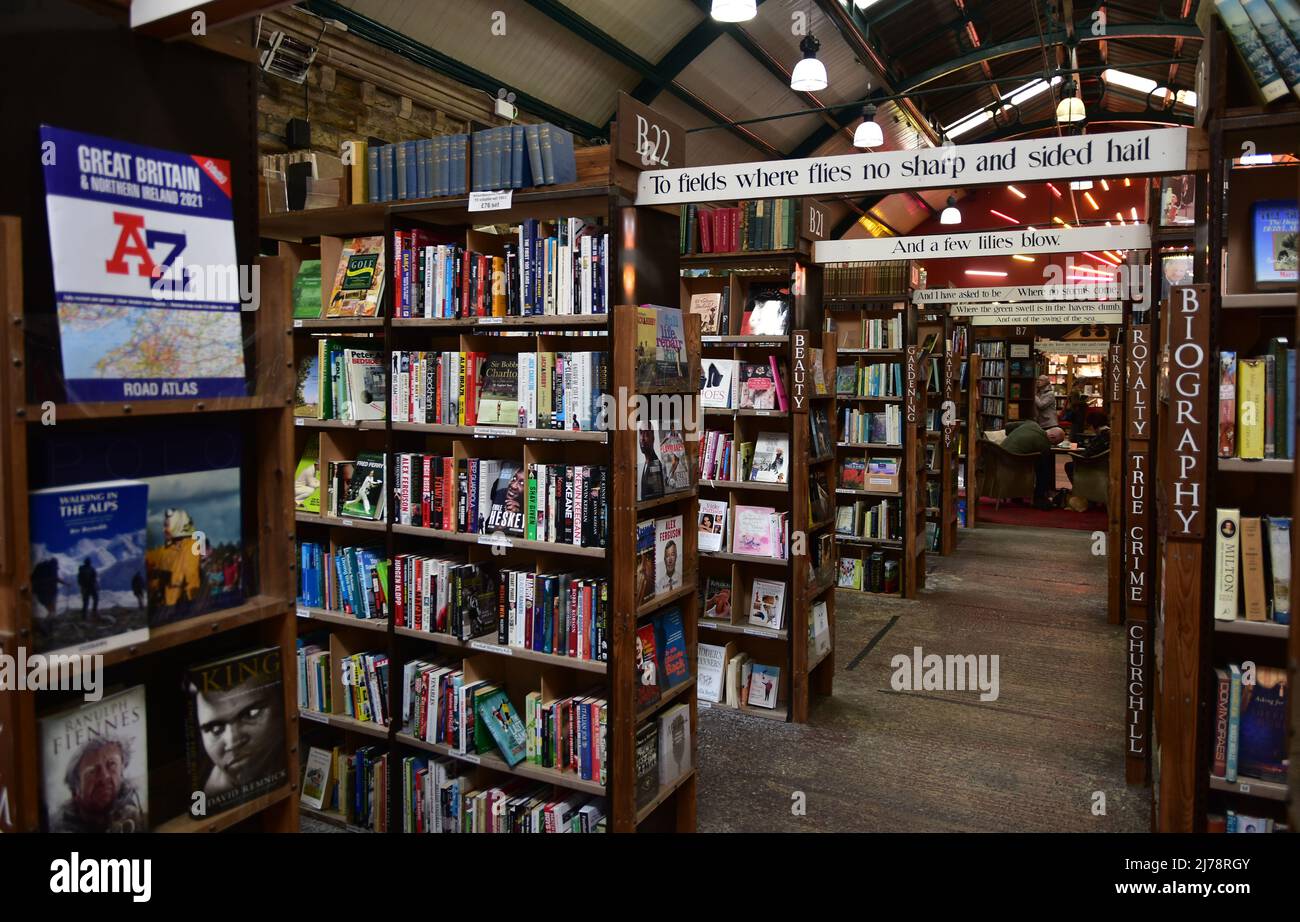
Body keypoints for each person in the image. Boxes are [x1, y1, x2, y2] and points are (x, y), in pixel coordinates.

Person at [51, 737, 146, 833]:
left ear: (121, 771)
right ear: (75, 787)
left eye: (112, 764)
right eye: (93, 771)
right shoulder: (59, 827)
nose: (105, 777)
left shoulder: (138, 804)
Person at [1001, 420, 1066, 509]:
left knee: (1040, 462)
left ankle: (1018, 495)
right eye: (1054, 443)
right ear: (1052, 436)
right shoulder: (1044, 443)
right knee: (1044, 467)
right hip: (1011, 462)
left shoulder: (1031, 424)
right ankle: (1039, 497)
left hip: (998, 456)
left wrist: (1016, 437)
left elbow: (1008, 426)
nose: (1053, 445)